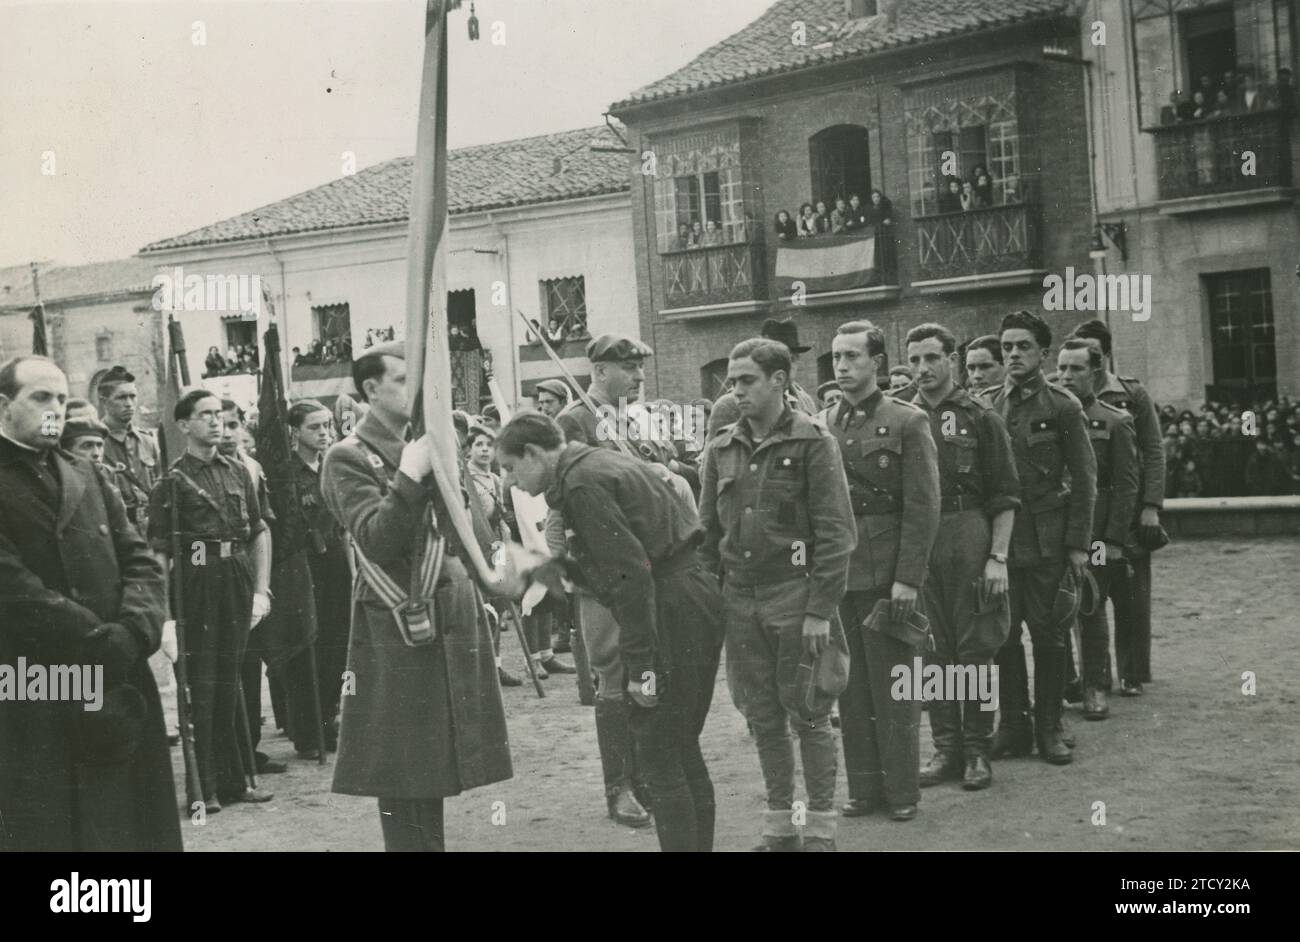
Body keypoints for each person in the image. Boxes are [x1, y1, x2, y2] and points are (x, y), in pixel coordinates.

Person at [320, 340, 512, 851]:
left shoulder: (429, 440)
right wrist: (409, 475)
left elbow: (470, 531)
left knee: (437, 766)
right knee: (403, 772)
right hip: (398, 625)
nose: (416, 390)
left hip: (448, 616)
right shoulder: (347, 456)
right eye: (404, 380)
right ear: (371, 389)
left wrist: (450, 471)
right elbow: (377, 540)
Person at [501, 412, 724, 851]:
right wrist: (541, 568)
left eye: (510, 466)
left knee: (660, 751)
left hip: (670, 607)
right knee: (680, 746)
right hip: (690, 597)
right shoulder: (596, 464)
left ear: (533, 452)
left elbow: (631, 576)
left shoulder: (581, 484)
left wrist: (641, 669)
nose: (509, 480)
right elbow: (622, 561)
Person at [0, 355, 181, 851]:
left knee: (127, 820)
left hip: (117, 668)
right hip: (37, 679)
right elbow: (14, 589)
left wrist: (135, 631)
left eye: (60, 397)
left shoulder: (88, 473)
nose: (55, 409)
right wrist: (102, 642)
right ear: (3, 405)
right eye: (40, 397)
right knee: (57, 824)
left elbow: (139, 559)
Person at [700, 338, 855, 851]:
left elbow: (836, 535)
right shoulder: (721, 447)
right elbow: (706, 536)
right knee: (762, 716)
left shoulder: (814, 443)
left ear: (778, 380)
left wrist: (820, 612)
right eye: (732, 381)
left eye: (746, 380)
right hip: (740, 600)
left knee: (809, 712)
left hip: (797, 595)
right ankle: (780, 827)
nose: (735, 390)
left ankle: (821, 830)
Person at [823, 321, 940, 822]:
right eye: (836, 358)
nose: (843, 367)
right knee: (849, 691)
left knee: (895, 688)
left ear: (877, 362)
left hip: (890, 574)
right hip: (839, 575)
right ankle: (865, 789)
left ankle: (902, 793)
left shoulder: (908, 422)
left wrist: (909, 578)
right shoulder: (822, 423)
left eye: (852, 357)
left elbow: (924, 506)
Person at [977, 310, 1096, 765]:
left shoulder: (1063, 407)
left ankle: (1049, 727)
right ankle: (1013, 726)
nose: (1013, 355)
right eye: (1006, 347)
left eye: (1023, 346)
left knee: (1048, 635)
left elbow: (1085, 480)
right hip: (1001, 545)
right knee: (1003, 637)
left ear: (1043, 354)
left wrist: (1078, 545)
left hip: (1047, 541)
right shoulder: (988, 404)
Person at [146, 388, 274, 810]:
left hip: (234, 578)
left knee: (233, 680)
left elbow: (258, 530)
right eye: (205, 415)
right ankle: (205, 788)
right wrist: (164, 617)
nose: (216, 422)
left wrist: (260, 590)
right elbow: (160, 554)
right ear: (184, 426)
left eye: (219, 414)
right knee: (202, 685)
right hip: (196, 582)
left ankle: (237, 781)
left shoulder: (238, 471)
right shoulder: (170, 483)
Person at [905, 324, 1019, 791]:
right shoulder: (903, 416)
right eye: (913, 360)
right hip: (921, 538)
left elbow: (1006, 494)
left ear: (952, 359)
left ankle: (976, 749)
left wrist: (997, 557)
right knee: (931, 649)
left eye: (931, 358)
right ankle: (945, 747)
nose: (922, 369)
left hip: (969, 531)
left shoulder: (980, 415)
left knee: (974, 647)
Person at [549, 333, 654, 828]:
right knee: (612, 673)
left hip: (644, 562)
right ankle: (621, 787)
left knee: (647, 665)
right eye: (629, 368)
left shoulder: (632, 417)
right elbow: (563, 494)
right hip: (600, 571)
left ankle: (647, 775)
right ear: (601, 371)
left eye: (638, 368)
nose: (637, 376)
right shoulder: (575, 420)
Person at [1067, 319, 1165, 697]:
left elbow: (1153, 452)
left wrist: (1152, 506)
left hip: (1128, 510)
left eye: (1092, 352)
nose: (1084, 362)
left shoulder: (1130, 394)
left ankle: (1133, 672)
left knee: (1131, 595)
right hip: (1087, 513)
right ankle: (1096, 676)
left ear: (1104, 355)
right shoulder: (1066, 394)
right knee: (1088, 592)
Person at [1055, 339, 1139, 722]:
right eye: (1062, 368)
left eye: (1076, 369)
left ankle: (1094, 686)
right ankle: (1067, 681)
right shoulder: (1051, 415)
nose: (1067, 376)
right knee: (1054, 609)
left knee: (1090, 604)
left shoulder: (1114, 421)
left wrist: (1115, 540)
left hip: (1099, 532)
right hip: (1056, 528)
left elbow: (1125, 487)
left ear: (1096, 372)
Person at [271, 400, 352, 758]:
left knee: (336, 643)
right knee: (306, 647)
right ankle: (306, 729)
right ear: (295, 432)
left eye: (326, 426)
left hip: (334, 563)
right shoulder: (285, 475)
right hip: (302, 567)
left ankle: (327, 717)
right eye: (314, 427)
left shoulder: (331, 468)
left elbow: (343, 525)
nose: (323, 433)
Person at [217, 400, 284, 776]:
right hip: (215, 575)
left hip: (245, 573)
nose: (227, 433)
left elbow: (262, 528)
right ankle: (231, 756)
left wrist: (262, 585)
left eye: (232, 424)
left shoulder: (252, 469)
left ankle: (251, 748)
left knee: (250, 664)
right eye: (219, 424)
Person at [708, 318, 819, 436]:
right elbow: (716, 451)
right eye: (779, 361)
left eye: (792, 359)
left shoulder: (805, 401)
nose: (787, 366)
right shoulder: (730, 405)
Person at [97, 365, 160, 534]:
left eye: (133, 397)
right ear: (104, 401)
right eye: (121, 398)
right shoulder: (95, 442)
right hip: (115, 530)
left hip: (150, 530)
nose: (129, 404)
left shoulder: (147, 441)